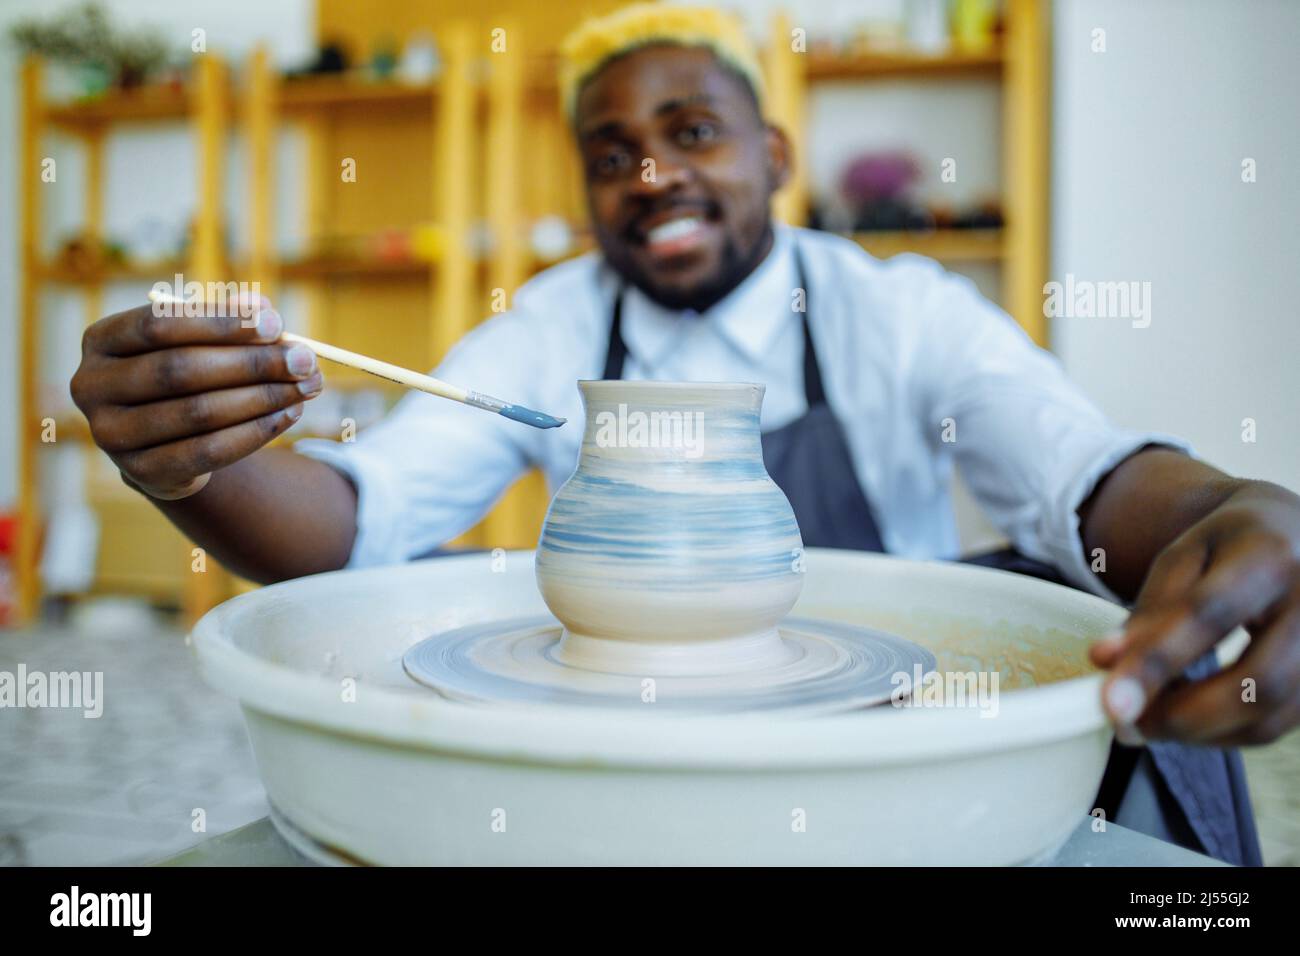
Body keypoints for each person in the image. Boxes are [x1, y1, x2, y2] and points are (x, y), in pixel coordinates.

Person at [70, 5, 1296, 865]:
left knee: (1084, 619)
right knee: (428, 610)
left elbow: (1082, 476)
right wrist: (193, 456)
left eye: (690, 133)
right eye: (611, 156)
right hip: (626, 750)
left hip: (884, 757)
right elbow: (354, 523)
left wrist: (1219, 512)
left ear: (771, 156)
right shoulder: (549, 324)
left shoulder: (894, 304)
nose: (650, 173)